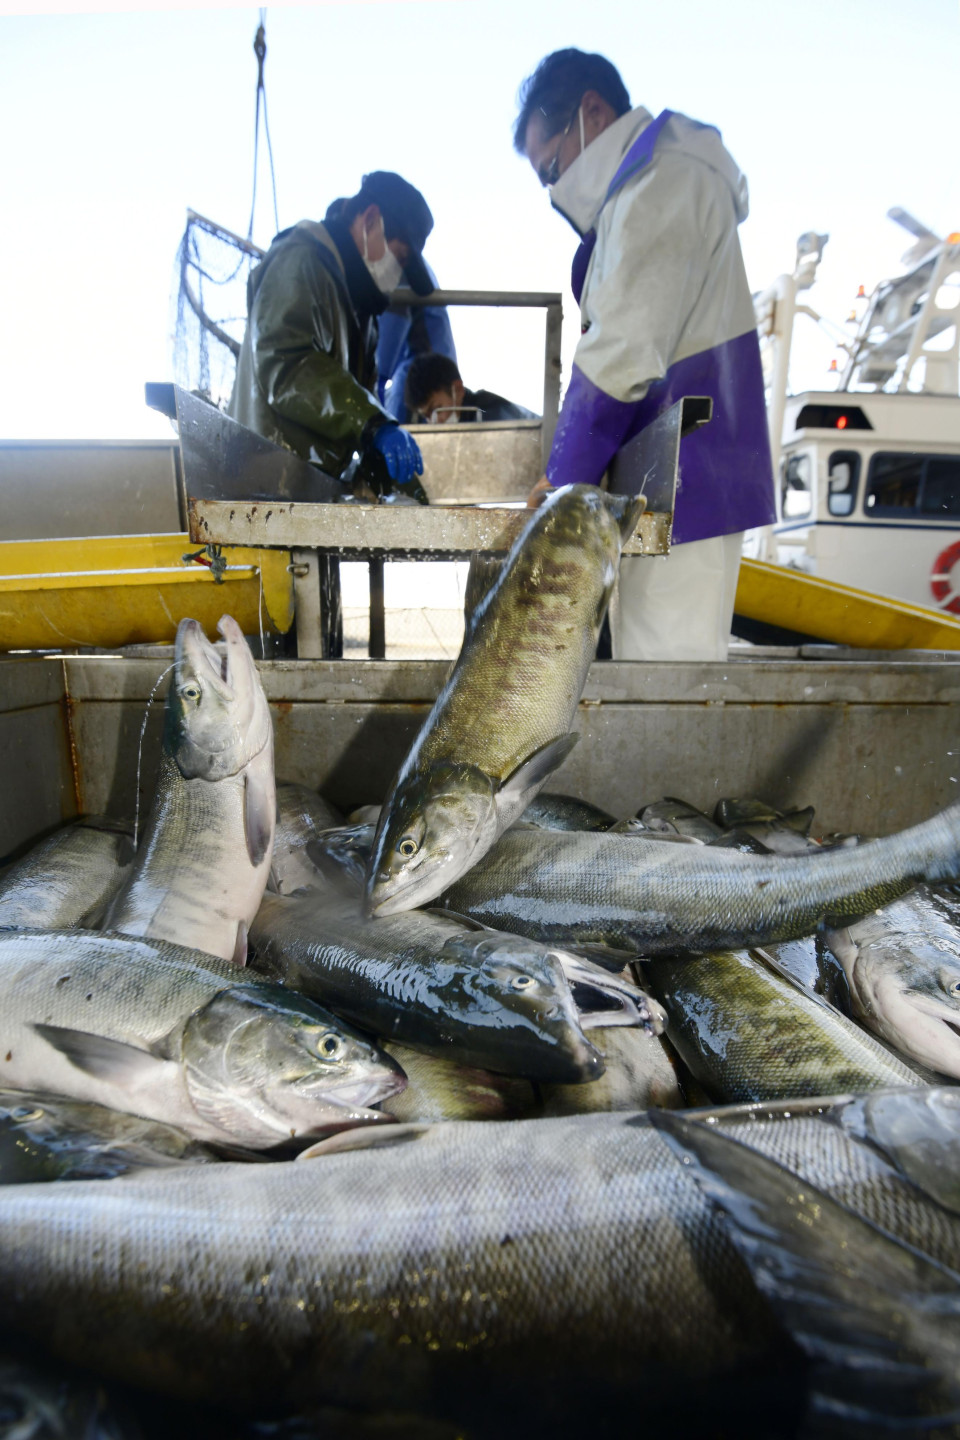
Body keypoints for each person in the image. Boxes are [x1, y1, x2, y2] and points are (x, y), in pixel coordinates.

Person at [514, 49, 775, 661]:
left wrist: (562, 480)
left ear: (593, 113)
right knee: (644, 674)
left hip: (692, 477)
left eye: (551, 167)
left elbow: (622, 352)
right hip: (663, 480)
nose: (554, 191)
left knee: (667, 685)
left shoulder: (667, 179)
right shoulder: (638, 190)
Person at [228, 170, 433, 492]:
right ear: (369, 220)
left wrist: (374, 457)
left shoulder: (363, 311)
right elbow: (286, 364)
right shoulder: (300, 259)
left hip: (308, 490)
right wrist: (372, 424)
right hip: (263, 486)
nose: (398, 276)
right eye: (401, 257)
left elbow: (357, 398)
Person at [376, 261, 458, 423]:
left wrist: (376, 381)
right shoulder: (416, 262)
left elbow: (392, 327)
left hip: (422, 369)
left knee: (394, 420)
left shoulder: (393, 265)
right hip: (440, 360)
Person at [405, 353, 537, 424]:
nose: (434, 422)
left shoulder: (495, 419)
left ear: (458, 389)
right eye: (426, 416)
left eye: (437, 410)